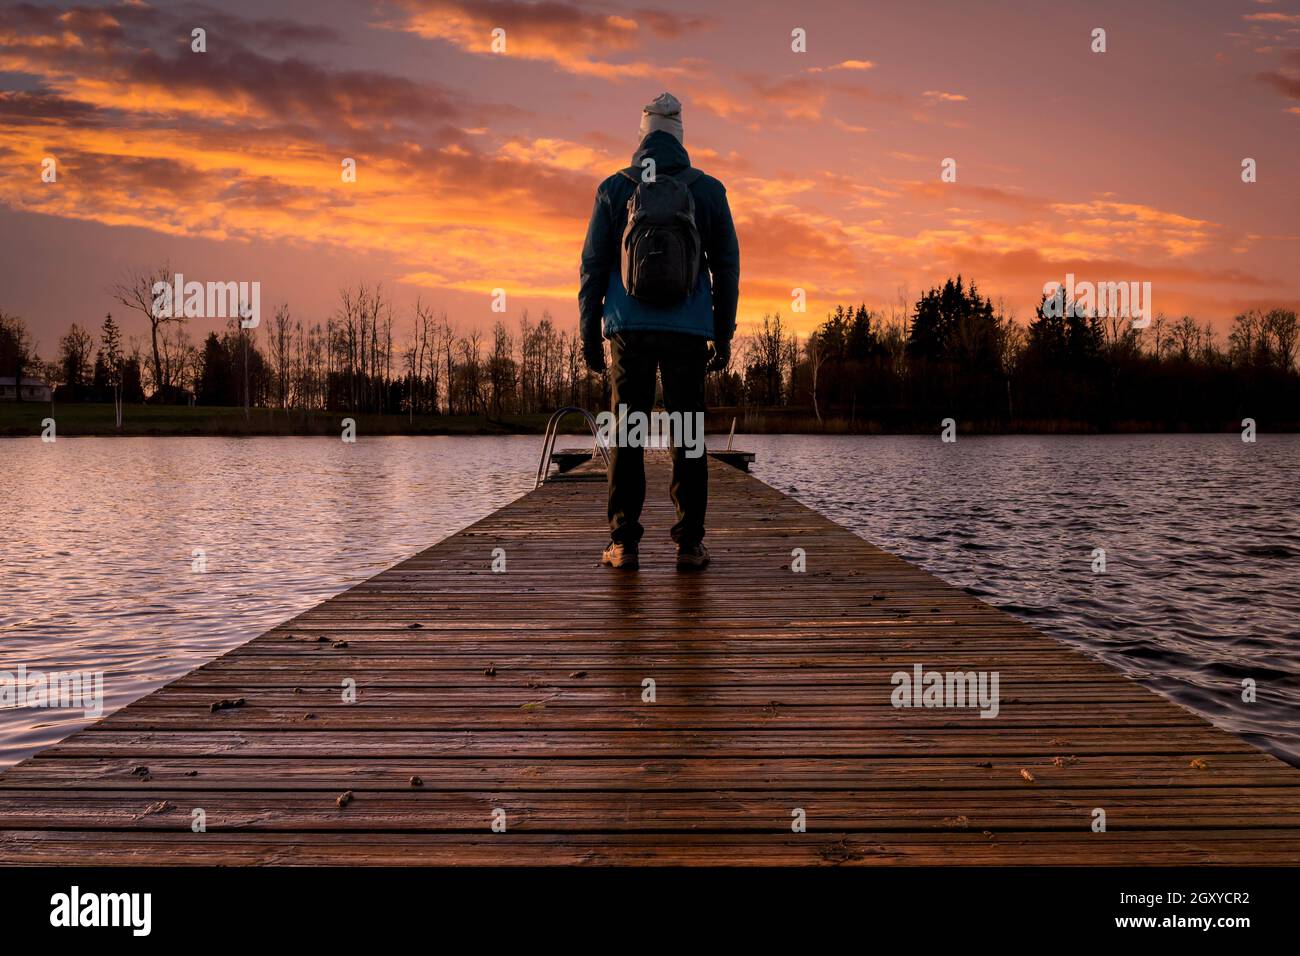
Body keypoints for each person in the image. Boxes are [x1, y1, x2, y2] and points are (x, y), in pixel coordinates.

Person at [578, 92, 740, 571]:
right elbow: (727, 266)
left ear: (643, 134)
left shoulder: (614, 187)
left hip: (629, 330)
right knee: (688, 435)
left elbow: (592, 266)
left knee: (628, 433)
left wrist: (590, 331)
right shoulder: (707, 190)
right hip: (688, 331)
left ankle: (624, 543)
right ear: (680, 136)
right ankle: (689, 545)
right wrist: (722, 331)